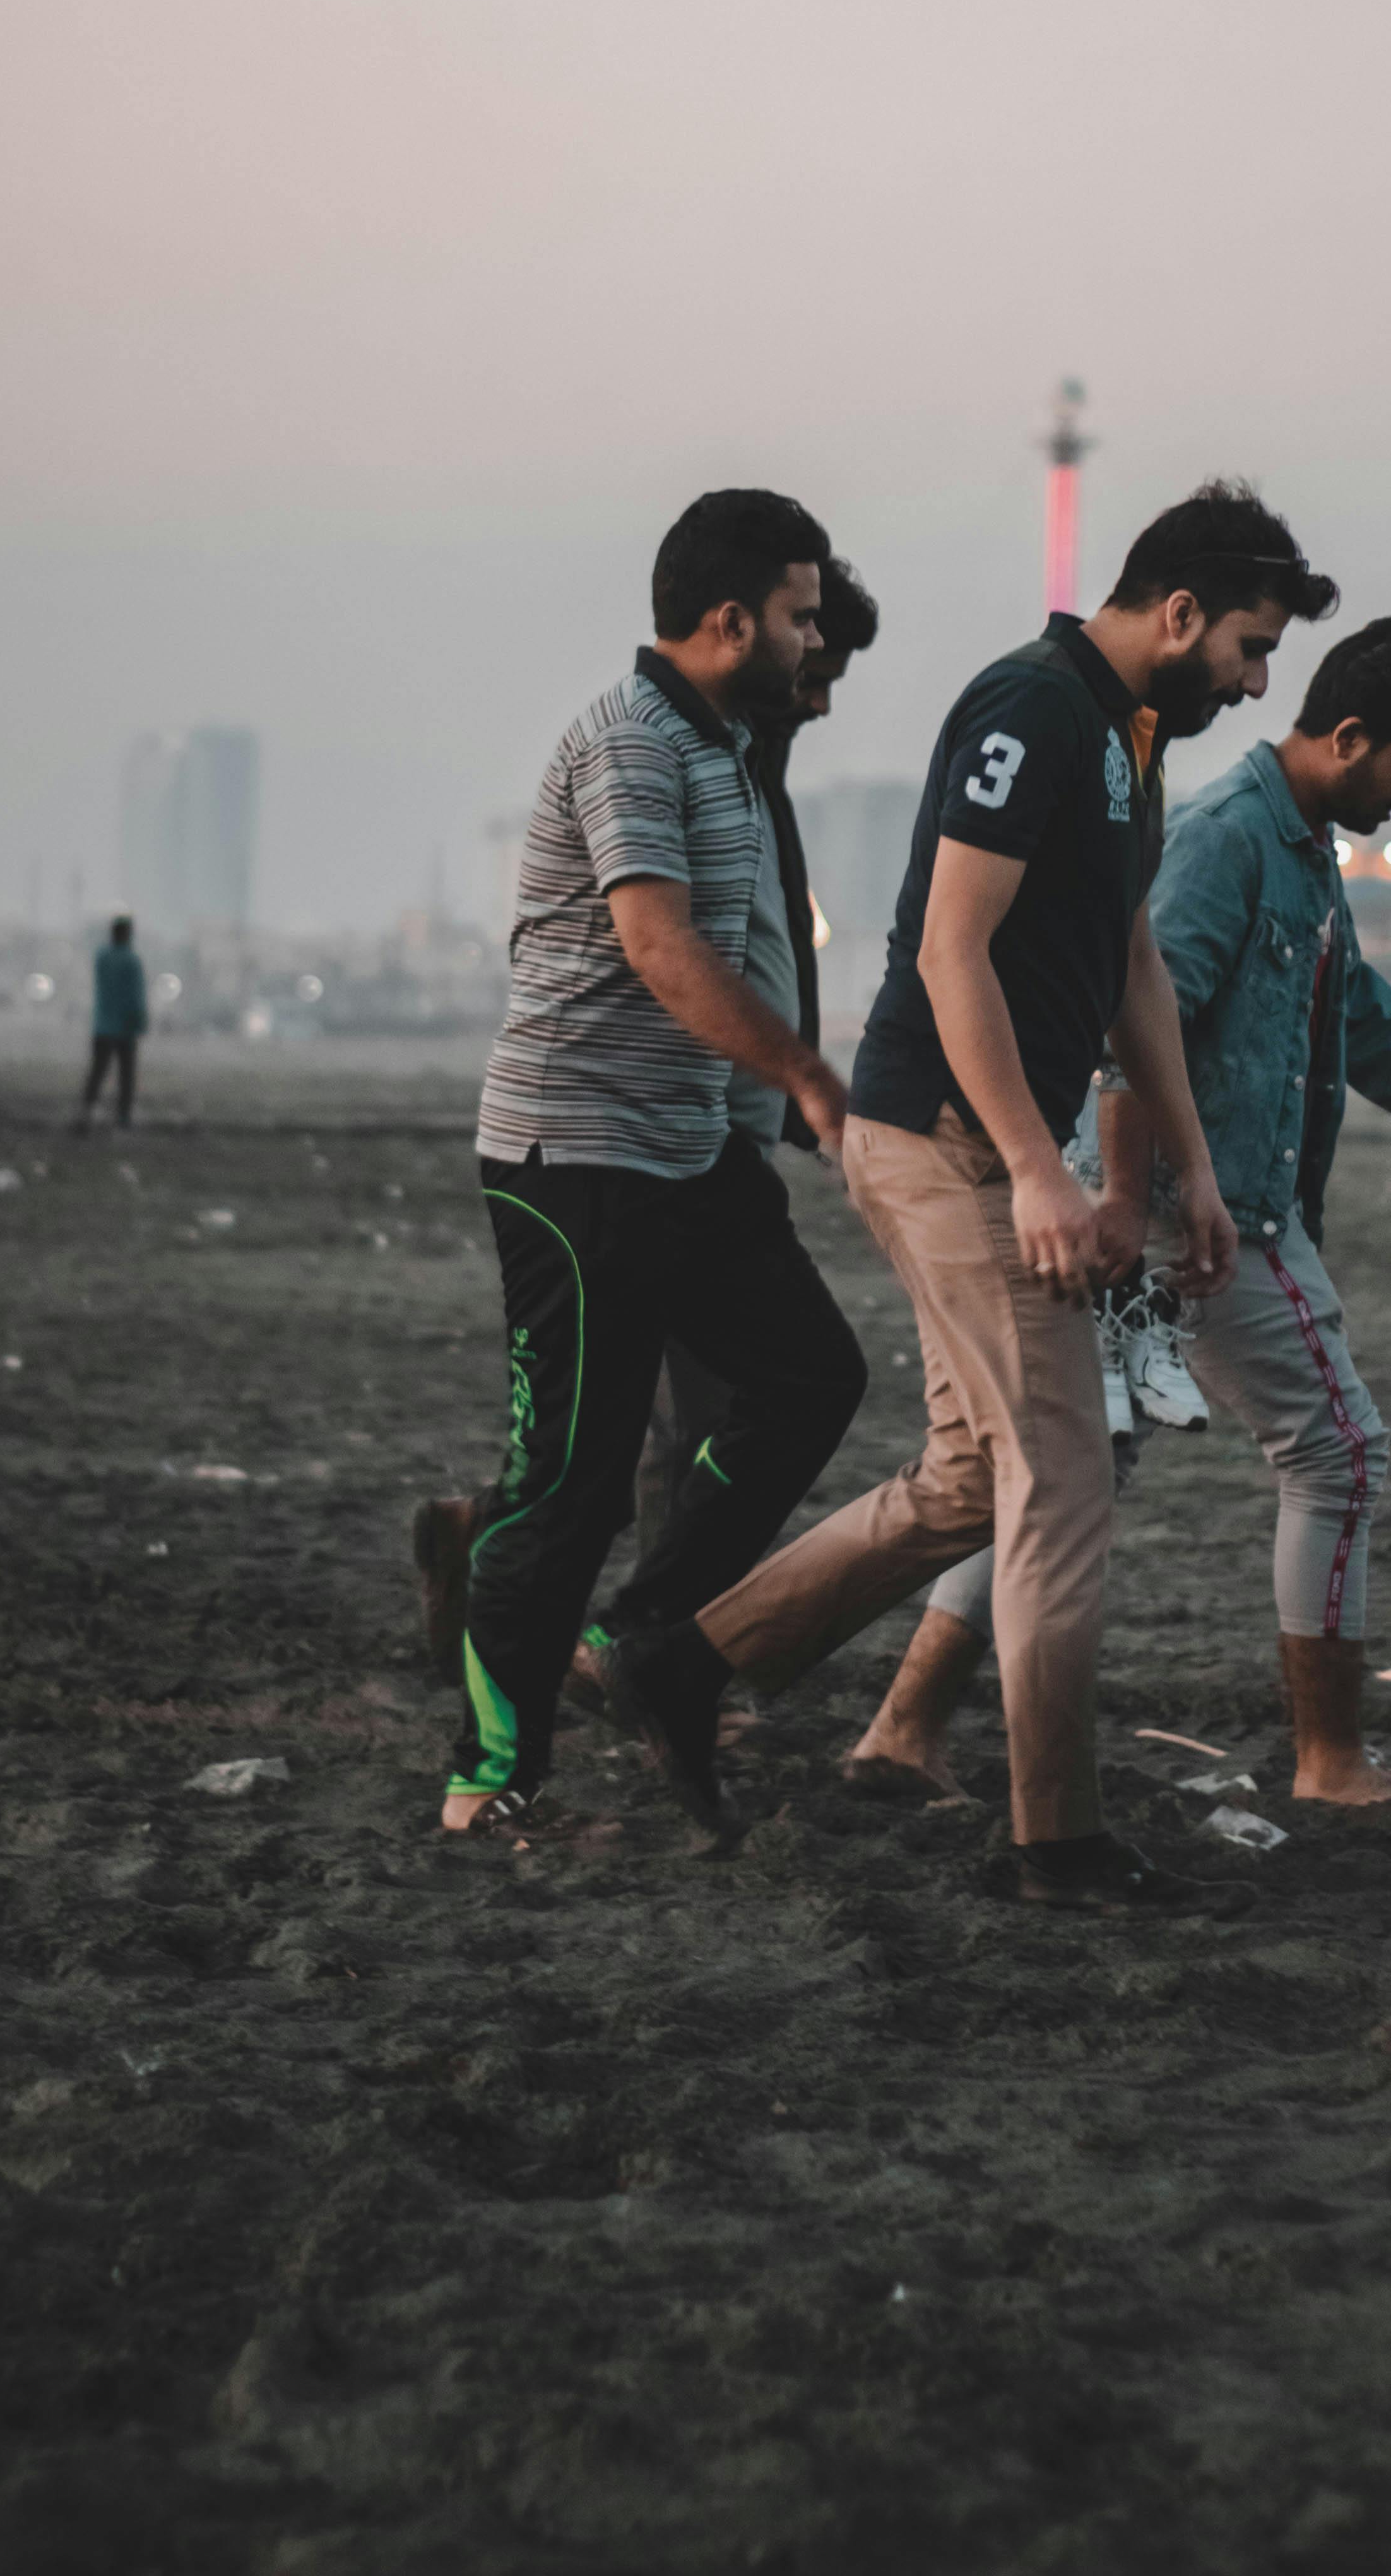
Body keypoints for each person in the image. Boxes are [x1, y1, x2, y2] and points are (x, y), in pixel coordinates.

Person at [615, 482, 1335, 1913]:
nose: (1257, 684)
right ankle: (1051, 1842)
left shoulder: (1129, 737)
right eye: (1249, 649)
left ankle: (686, 1658)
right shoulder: (1032, 707)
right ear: (1177, 612)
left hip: (977, 1140)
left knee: (966, 1482)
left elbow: (1128, 961)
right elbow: (951, 951)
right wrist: (1032, 1173)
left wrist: (1185, 1164)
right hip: (938, 1138)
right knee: (1059, 1478)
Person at [848, 615, 1391, 1812]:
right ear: (1349, 740)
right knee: (1338, 1453)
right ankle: (1330, 1761)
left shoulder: (1299, 853)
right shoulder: (1230, 842)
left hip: (1169, 1214)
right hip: (1201, 1219)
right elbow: (1136, 1031)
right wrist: (1138, 1203)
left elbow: (1370, 1030)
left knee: (1077, 1466)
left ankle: (902, 1727)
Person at [418, 490, 869, 1836]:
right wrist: (804, 1079)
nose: (812, 643)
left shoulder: (726, 746)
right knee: (569, 1485)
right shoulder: (627, 742)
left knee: (809, 1379)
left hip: (686, 1158)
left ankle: (647, 1627)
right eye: (798, 619)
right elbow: (661, 948)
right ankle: (488, 1780)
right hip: (577, 1161)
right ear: (729, 622)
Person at [616, 553, 882, 1588]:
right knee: (708, 1413)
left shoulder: (747, 773)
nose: (815, 700)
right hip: (673, 1137)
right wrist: (803, 1083)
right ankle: (656, 1648)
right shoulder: (671, 760)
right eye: (811, 662)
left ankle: (490, 1543)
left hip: (726, 1128)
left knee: (661, 1416)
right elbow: (667, 953)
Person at [76, 917, 150, 1129]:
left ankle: (86, 1111)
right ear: (127, 934)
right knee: (126, 1075)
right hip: (125, 1027)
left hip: (103, 1025)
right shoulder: (132, 961)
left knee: (98, 1071)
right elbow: (136, 995)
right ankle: (123, 1116)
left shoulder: (102, 958)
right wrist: (140, 1022)